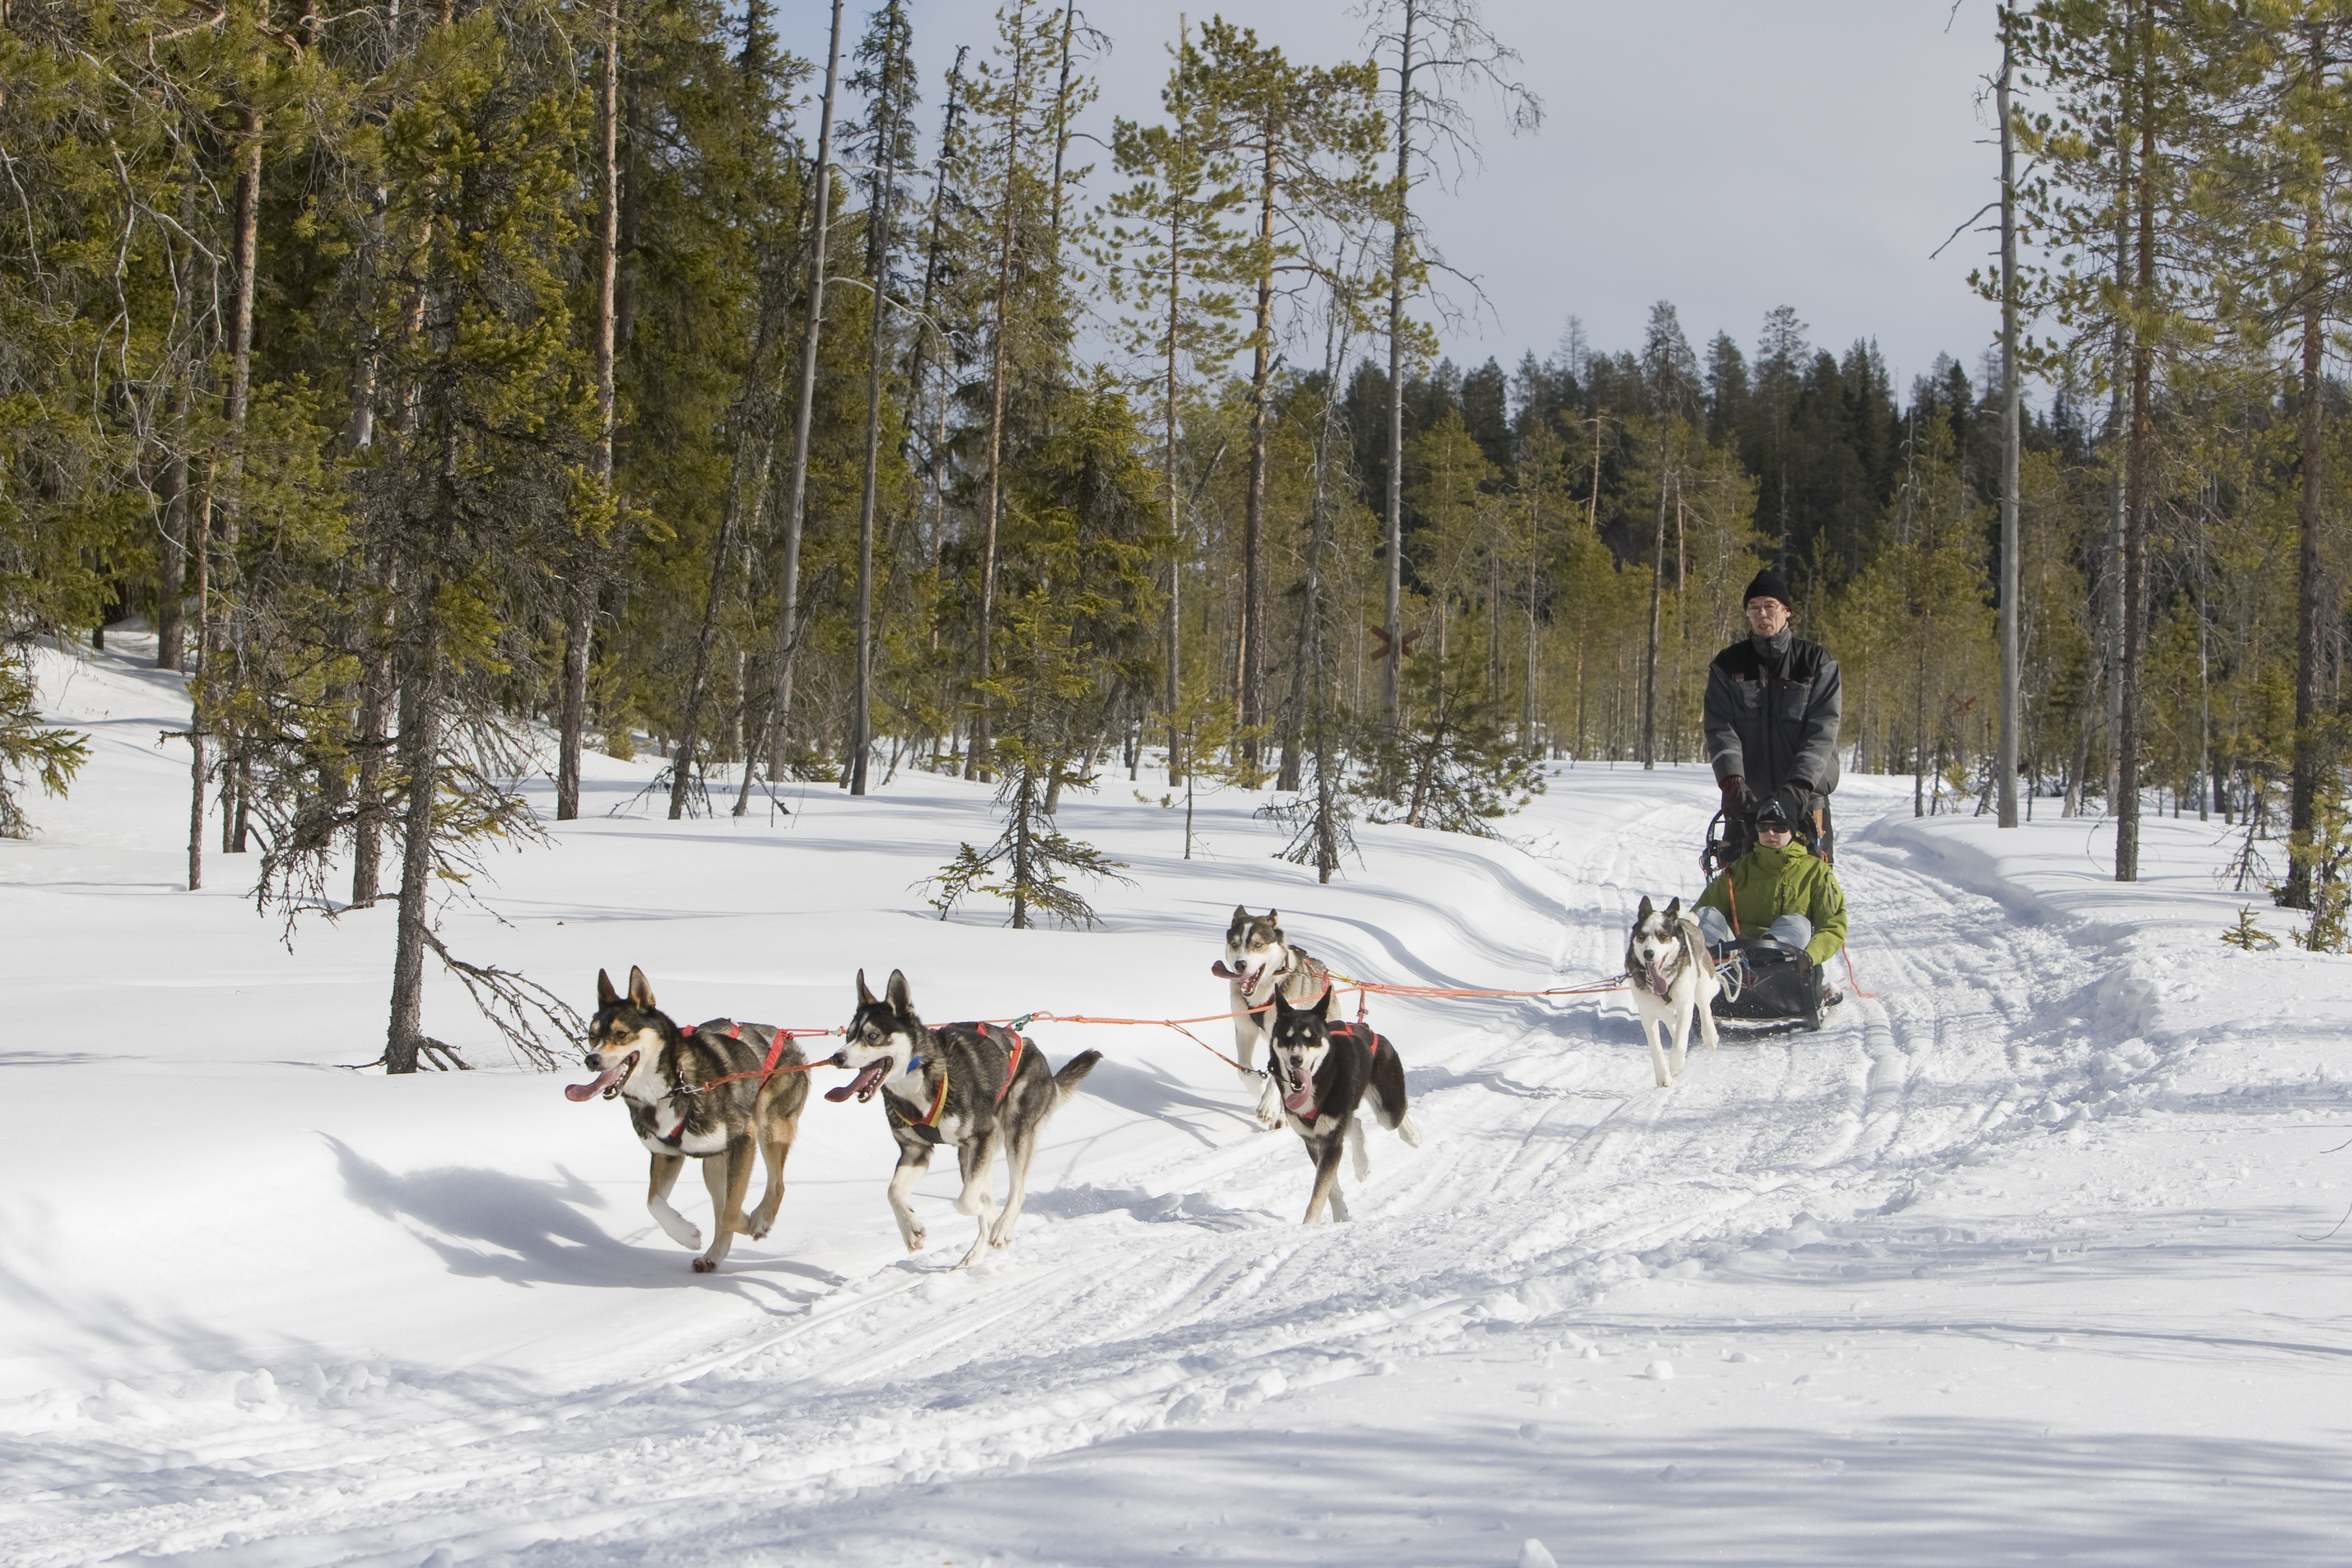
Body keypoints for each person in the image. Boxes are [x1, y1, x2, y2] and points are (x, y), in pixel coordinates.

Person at [1703, 566, 1842, 864]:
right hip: (1747, 800)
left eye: (1770, 606)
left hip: (1806, 798)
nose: (1762, 614)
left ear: (1787, 612)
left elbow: (1823, 731)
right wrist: (1732, 782)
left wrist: (1798, 789)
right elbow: (1720, 728)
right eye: (1754, 608)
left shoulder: (1816, 663)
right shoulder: (1728, 665)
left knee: (1810, 885)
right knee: (1737, 884)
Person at [1694, 792, 1847, 996]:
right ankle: (1708, 974)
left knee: (1798, 923)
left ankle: (1766, 958)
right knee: (1705, 915)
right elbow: (1698, 914)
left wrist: (1811, 956)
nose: (1771, 833)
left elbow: (1833, 925)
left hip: (1785, 962)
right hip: (1734, 956)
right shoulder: (1740, 869)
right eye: (1763, 827)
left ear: (1792, 830)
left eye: (1780, 827)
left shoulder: (1816, 872)